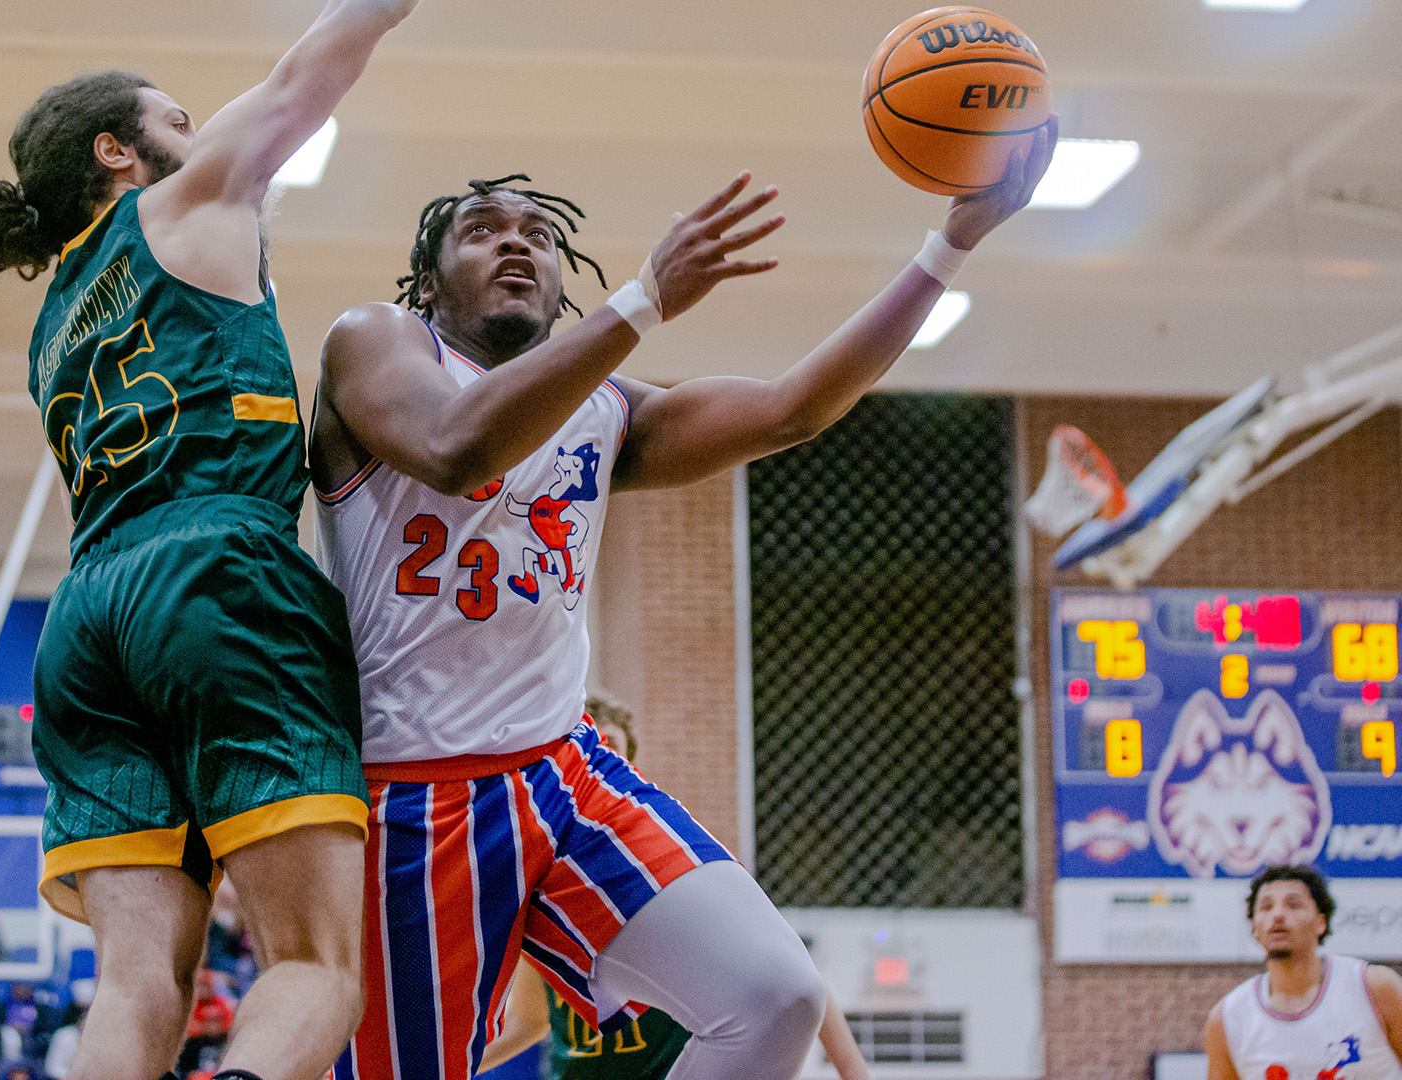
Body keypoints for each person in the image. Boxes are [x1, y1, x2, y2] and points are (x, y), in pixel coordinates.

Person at [309, 124, 1055, 1079]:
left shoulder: (606, 409)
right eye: (482, 229)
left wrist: (952, 243)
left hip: (561, 771)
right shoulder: (373, 341)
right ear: (427, 282)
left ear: (560, 284)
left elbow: (792, 409)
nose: (516, 242)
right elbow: (457, 449)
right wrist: (644, 300)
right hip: (412, 795)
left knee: (775, 997)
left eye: (538, 233)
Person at [0, 2, 422, 1078]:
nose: (199, 131)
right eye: (176, 119)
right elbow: (307, 77)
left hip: (87, 616)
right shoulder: (184, 202)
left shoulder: (53, 320)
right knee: (314, 965)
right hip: (215, 571)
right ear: (115, 151)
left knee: (135, 981)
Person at [477, 695, 874, 1080]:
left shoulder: (669, 867)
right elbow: (529, 1020)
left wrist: (854, 1072)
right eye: (599, 745)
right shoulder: (543, 877)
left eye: (614, 750)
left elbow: (792, 981)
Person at [1206, 865, 1402, 1079]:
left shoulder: (1376, 988)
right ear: (1254, 928)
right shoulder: (1227, 1018)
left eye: (1293, 904)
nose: (1278, 915)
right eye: (1266, 907)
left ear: (1320, 922)